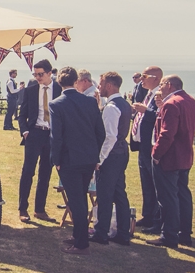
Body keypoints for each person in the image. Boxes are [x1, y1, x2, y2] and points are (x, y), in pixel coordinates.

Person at [49, 67, 105, 255]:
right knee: (79, 197)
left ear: (59, 82)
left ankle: (81, 244)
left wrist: (56, 159)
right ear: (75, 81)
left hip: (69, 160)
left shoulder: (57, 104)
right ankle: (77, 234)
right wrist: (94, 154)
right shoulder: (90, 102)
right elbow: (101, 132)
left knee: (77, 200)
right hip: (88, 158)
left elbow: (56, 136)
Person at [149, 75, 195, 249]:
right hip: (185, 156)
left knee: (167, 197)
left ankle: (169, 235)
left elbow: (167, 134)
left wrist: (156, 154)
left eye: (162, 84)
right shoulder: (190, 100)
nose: (160, 88)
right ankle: (185, 233)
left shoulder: (171, 104)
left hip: (169, 158)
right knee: (183, 195)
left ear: (170, 85)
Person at [17, 59, 62, 223]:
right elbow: (22, 115)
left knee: (46, 173)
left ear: (50, 73)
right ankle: (23, 208)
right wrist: (25, 132)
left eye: (40, 74)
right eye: (35, 74)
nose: (37, 77)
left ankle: (39, 209)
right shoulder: (31, 90)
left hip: (51, 135)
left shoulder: (59, 89)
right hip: (34, 133)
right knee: (28, 171)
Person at [92, 71, 133, 246]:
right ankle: (123, 233)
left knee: (105, 194)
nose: (98, 87)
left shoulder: (111, 107)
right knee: (119, 193)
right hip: (122, 152)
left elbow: (110, 136)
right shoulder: (124, 104)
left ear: (109, 85)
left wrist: (100, 159)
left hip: (111, 154)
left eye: (100, 84)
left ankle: (101, 232)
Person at [131, 66, 164, 233]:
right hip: (142, 145)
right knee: (146, 182)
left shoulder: (159, 94)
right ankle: (148, 215)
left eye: (145, 76)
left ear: (156, 78)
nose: (141, 79)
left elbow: (161, 115)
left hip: (151, 145)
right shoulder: (148, 94)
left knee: (154, 182)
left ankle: (157, 220)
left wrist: (146, 111)